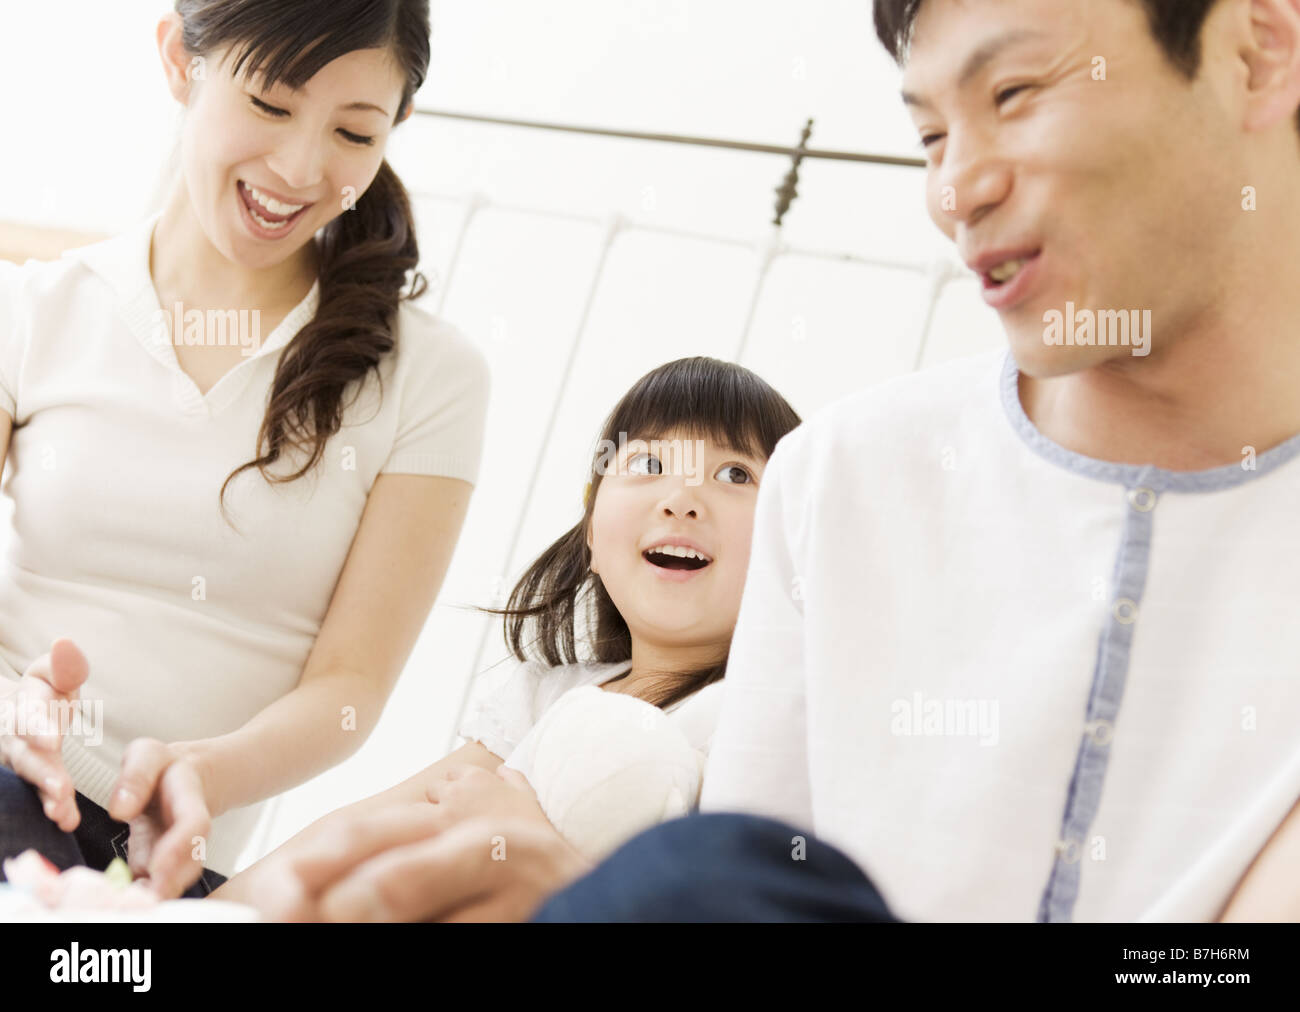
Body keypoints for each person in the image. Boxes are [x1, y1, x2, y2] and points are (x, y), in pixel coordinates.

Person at [271, 0, 1300, 922]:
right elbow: (740, 882)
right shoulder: (843, 478)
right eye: (930, 134)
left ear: (1257, 51)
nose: (957, 188)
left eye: (1016, 92)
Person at [0, 0, 491, 900]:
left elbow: (349, 685)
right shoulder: (33, 312)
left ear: (397, 127)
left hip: (170, 856)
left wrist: (201, 775)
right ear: (179, 62)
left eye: (353, 131)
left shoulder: (432, 378)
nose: (300, 168)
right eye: (269, 105)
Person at [207, 356, 802, 920]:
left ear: (792, 543)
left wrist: (535, 845)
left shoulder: (758, 722)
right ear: (592, 533)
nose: (680, 500)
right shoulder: (543, 695)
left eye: (735, 473)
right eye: (648, 466)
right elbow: (363, 832)